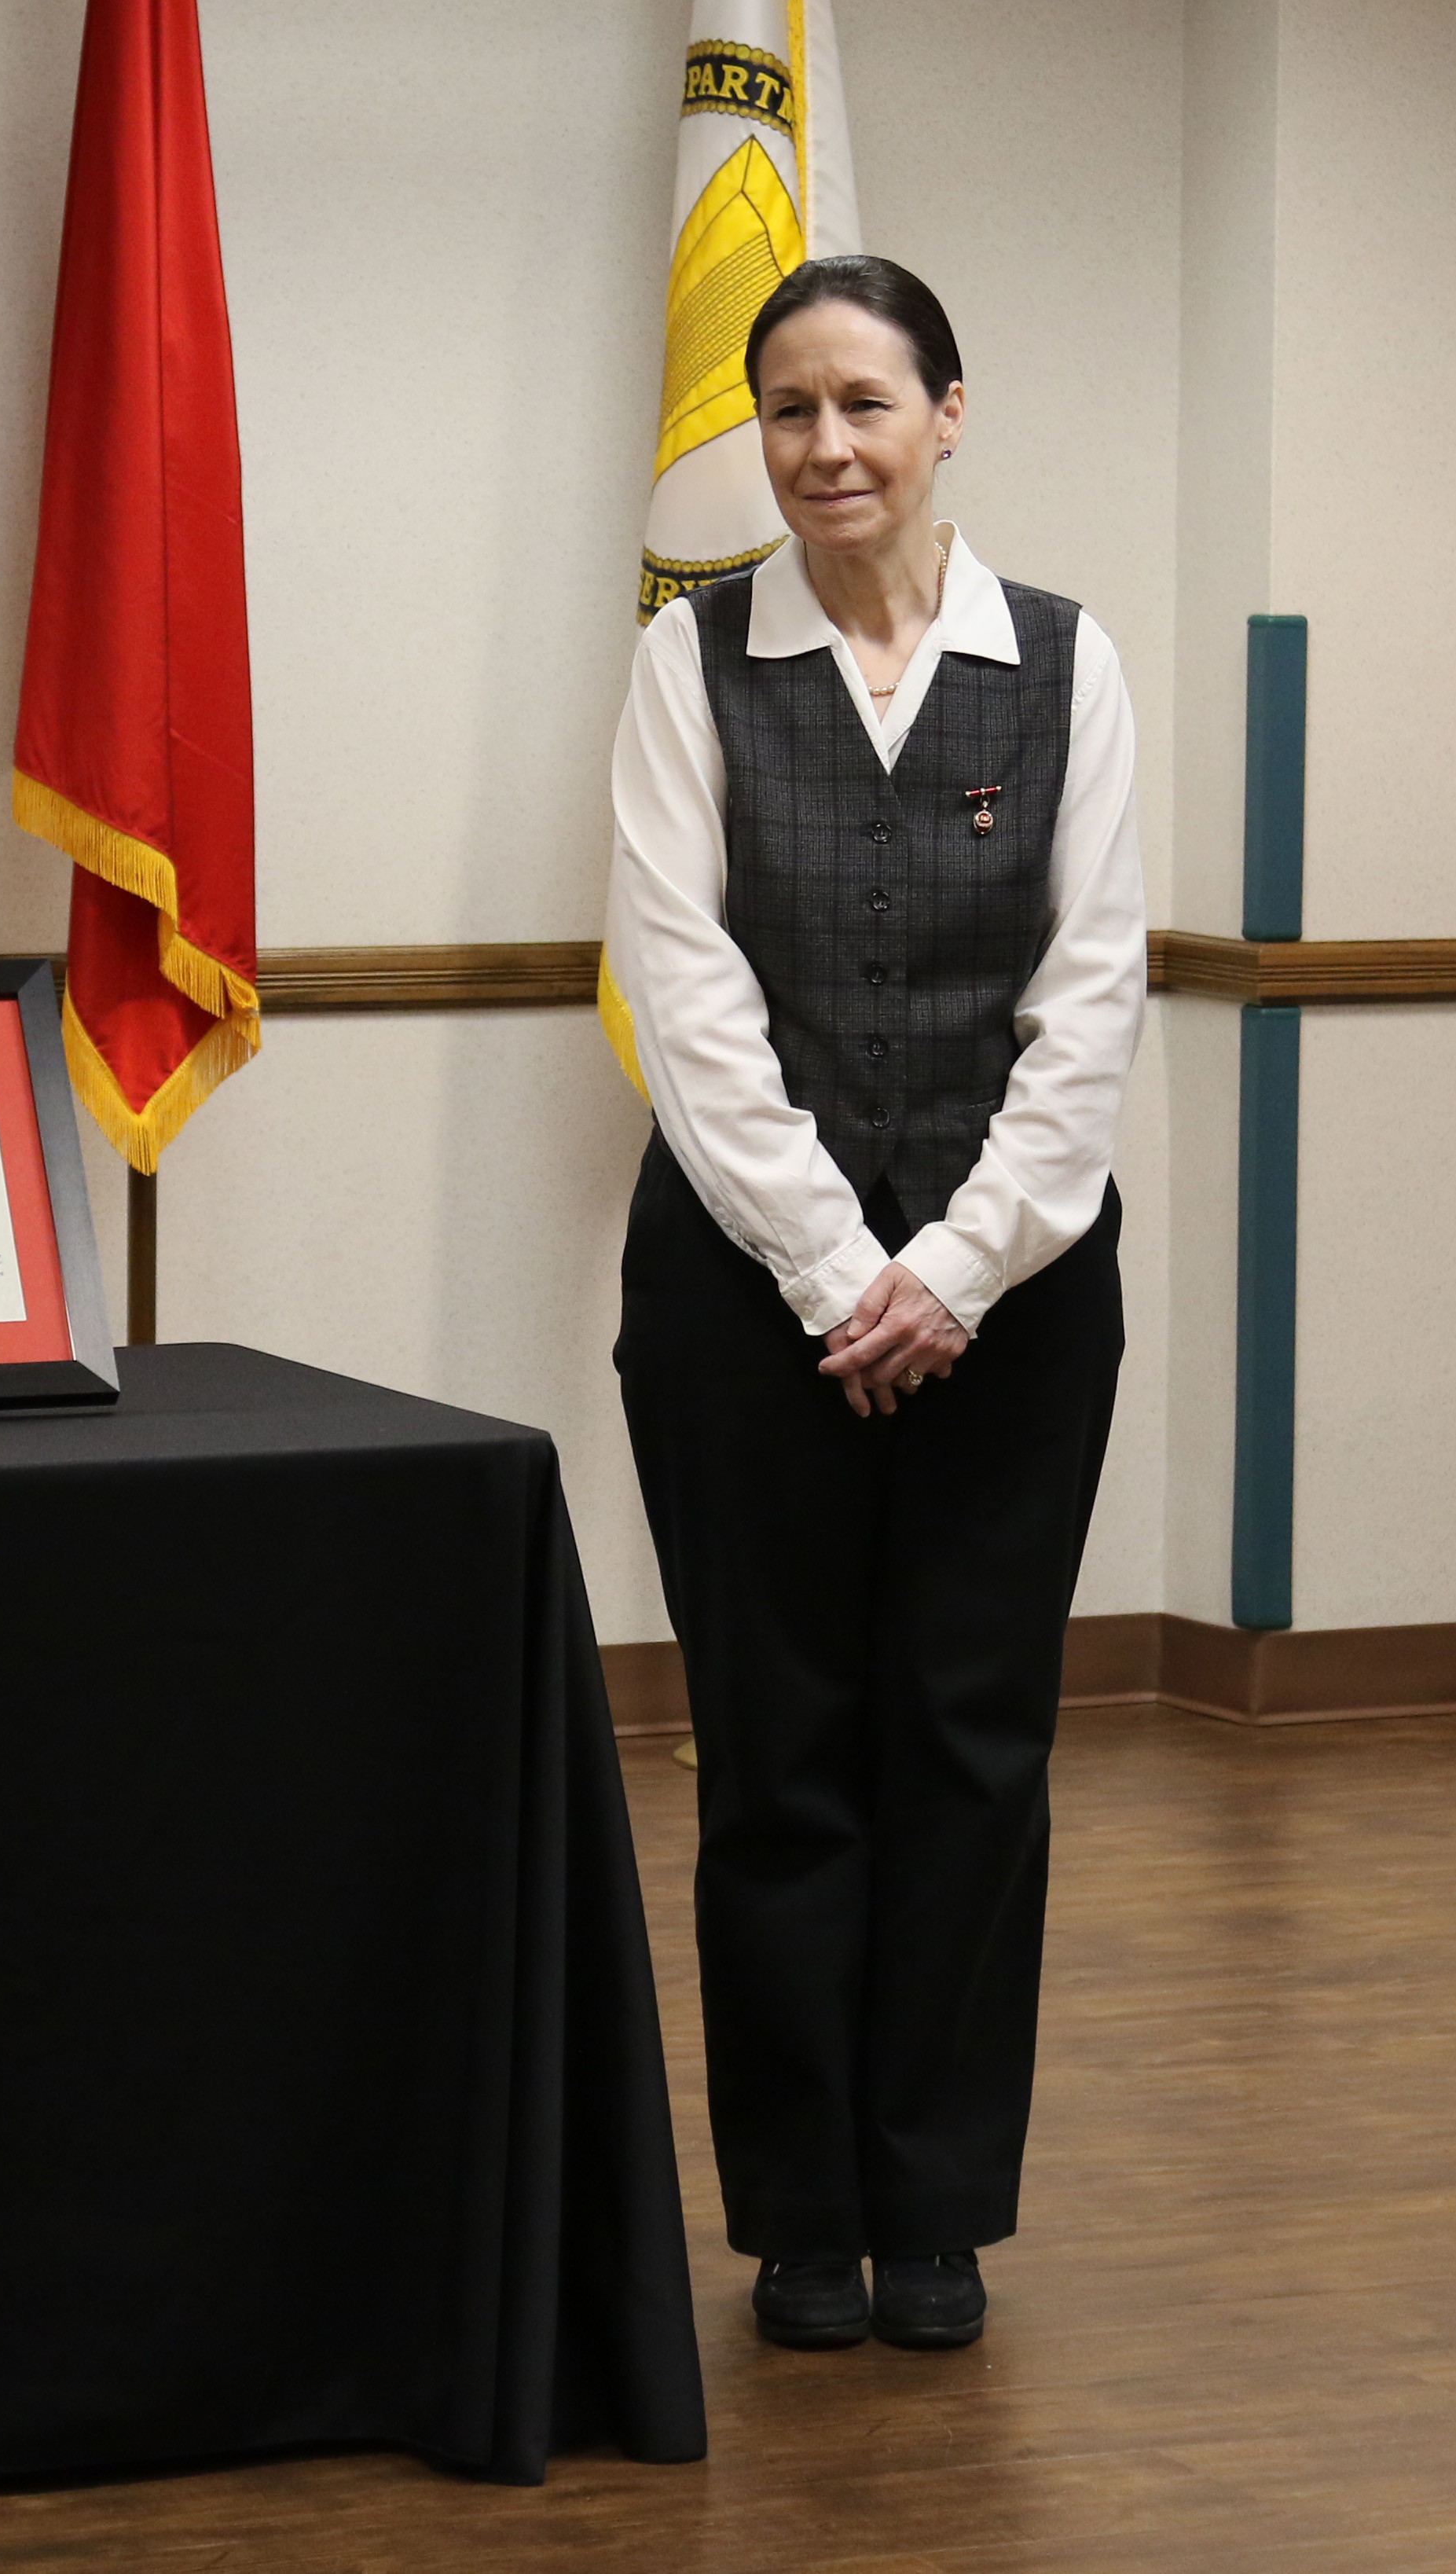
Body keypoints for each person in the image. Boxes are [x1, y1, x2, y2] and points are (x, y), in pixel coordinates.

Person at [605, 255, 1147, 2355]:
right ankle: (799, 2219)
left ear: (946, 416)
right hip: (751, 1301)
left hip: (1019, 1295)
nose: (824, 447)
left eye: (863, 404)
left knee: (972, 1746)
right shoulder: (690, 661)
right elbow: (690, 994)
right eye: (790, 411)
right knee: (781, 1752)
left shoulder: (1072, 663)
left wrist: (958, 1266)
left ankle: (937, 2209)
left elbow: (1087, 999)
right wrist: (846, 1270)